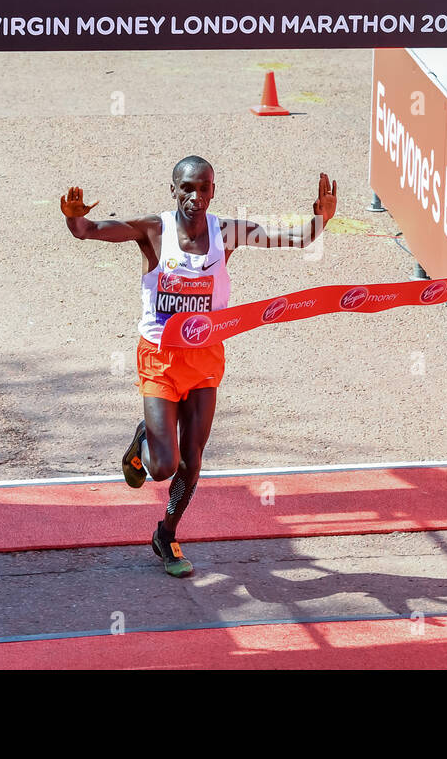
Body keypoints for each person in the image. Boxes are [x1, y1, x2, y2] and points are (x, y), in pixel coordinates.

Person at [61, 156, 337, 576]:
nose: (196, 196)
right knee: (163, 467)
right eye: (187, 188)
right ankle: (144, 441)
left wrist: (320, 221)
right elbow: (90, 232)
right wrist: (75, 219)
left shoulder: (225, 232)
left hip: (206, 357)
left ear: (213, 190)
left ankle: (166, 534)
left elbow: (291, 239)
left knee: (192, 460)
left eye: (204, 188)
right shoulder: (154, 230)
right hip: (160, 357)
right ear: (173, 189)